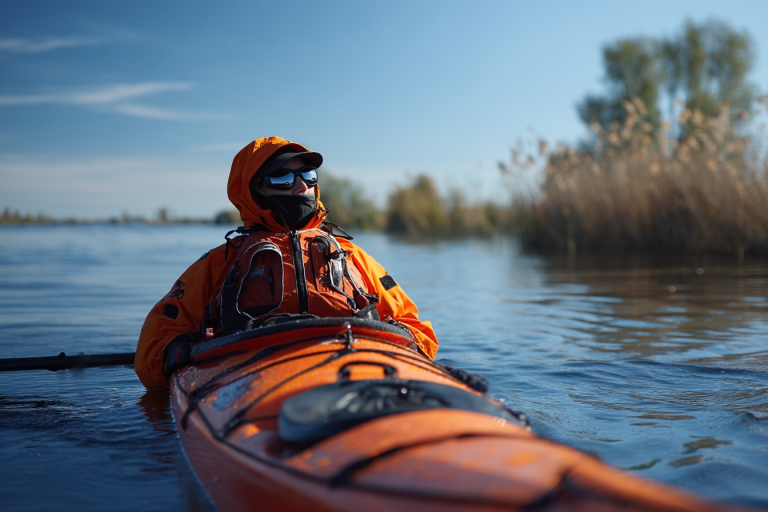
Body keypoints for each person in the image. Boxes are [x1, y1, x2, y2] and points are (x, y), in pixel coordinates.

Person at [134, 136, 439, 389]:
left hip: (353, 372)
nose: (301, 186)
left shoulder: (354, 258)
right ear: (254, 191)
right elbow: (151, 353)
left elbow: (420, 333)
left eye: (308, 175)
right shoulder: (221, 263)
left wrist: (390, 339)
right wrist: (193, 349)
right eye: (282, 177)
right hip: (252, 379)